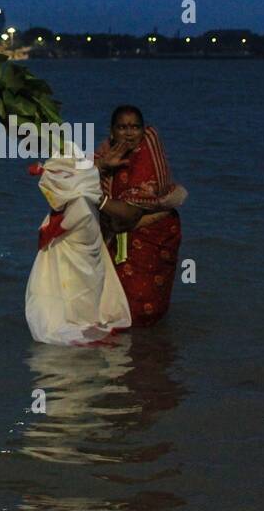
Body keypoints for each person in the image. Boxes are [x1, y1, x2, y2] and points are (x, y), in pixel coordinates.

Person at [24, 154, 131, 345]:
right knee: (89, 283)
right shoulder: (87, 197)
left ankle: (80, 321)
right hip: (90, 251)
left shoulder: (79, 203)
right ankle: (90, 318)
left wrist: (46, 233)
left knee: (76, 283)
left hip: (80, 248)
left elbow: (57, 229)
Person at [94, 106, 185, 326]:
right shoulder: (106, 153)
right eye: (122, 127)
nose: (129, 133)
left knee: (145, 300)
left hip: (152, 233)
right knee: (117, 296)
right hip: (119, 233)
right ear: (112, 131)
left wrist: (99, 200)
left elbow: (131, 211)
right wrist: (101, 167)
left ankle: (148, 348)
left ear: (143, 130)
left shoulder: (147, 158)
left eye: (135, 127)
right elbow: (76, 176)